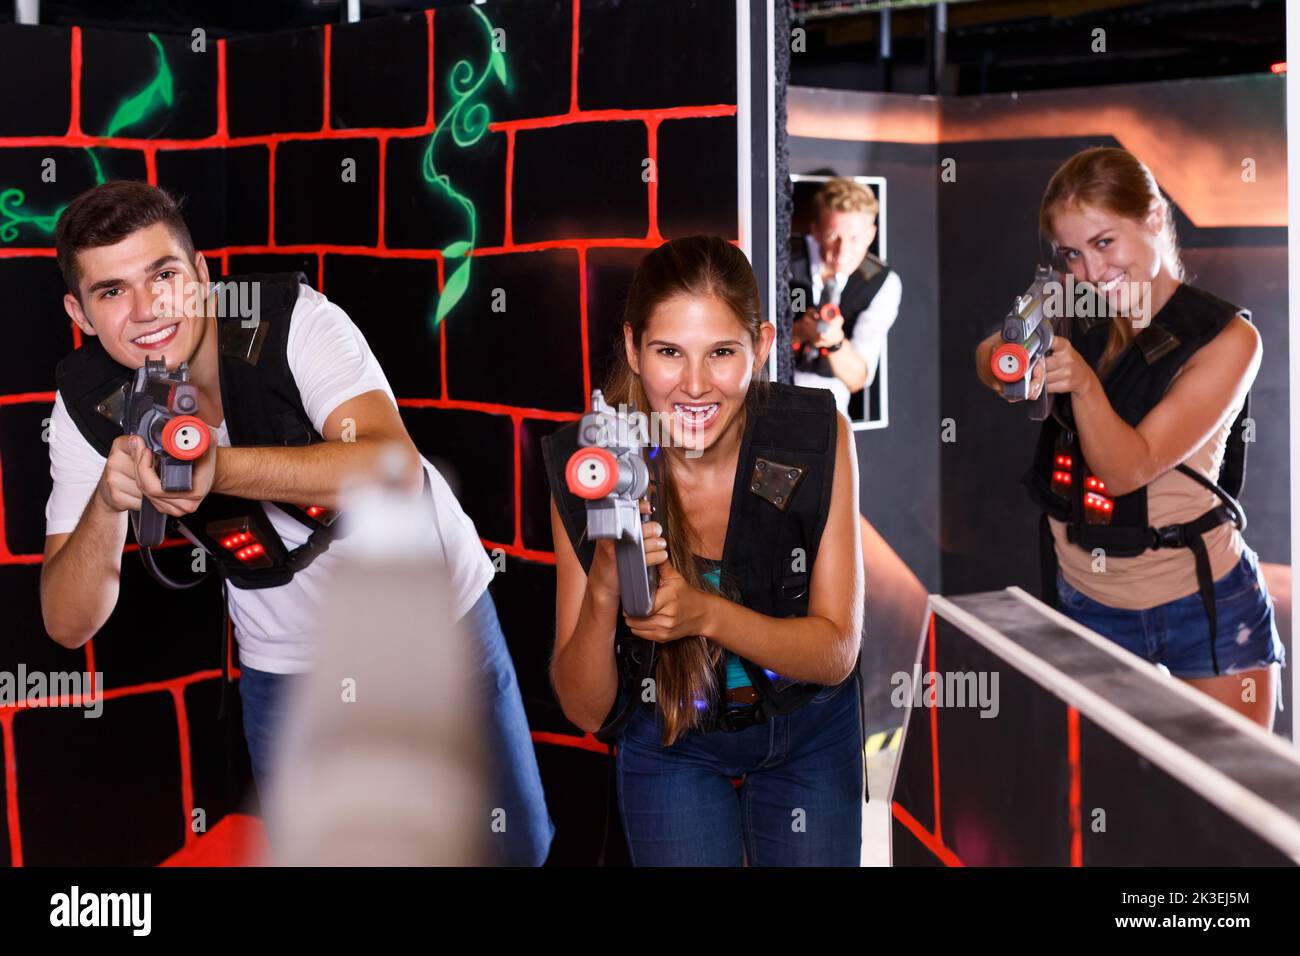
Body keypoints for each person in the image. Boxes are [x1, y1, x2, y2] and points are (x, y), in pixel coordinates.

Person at [40, 180, 553, 864]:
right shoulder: (85, 405)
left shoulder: (291, 322)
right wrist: (108, 504)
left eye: (163, 275)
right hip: (285, 660)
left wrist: (219, 470)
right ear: (79, 311)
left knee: (507, 851)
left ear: (199, 275)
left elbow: (391, 469)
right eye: (112, 291)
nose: (147, 310)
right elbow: (67, 622)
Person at [544, 235, 865, 866]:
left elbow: (833, 653)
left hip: (809, 730)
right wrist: (606, 586)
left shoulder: (816, 436)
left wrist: (705, 614)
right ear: (634, 349)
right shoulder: (590, 468)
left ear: (763, 347)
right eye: (669, 352)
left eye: (722, 352)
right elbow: (585, 708)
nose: (694, 385)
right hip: (671, 736)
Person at [975, 146, 1285, 729]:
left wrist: (1083, 384)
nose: (1090, 272)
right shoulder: (1073, 300)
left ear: (1155, 220)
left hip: (1203, 598)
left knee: (1223, 805)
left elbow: (1125, 469)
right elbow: (988, 354)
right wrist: (1009, 359)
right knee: (1103, 807)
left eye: (1103, 243)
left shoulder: (1228, 338)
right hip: (1089, 598)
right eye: (1071, 253)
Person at [790, 177, 902, 417]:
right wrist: (798, 332)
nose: (843, 252)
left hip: (828, 403)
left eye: (854, 239)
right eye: (833, 236)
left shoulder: (882, 284)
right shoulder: (782, 258)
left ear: (871, 235)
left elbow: (857, 378)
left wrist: (835, 342)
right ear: (816, 231)